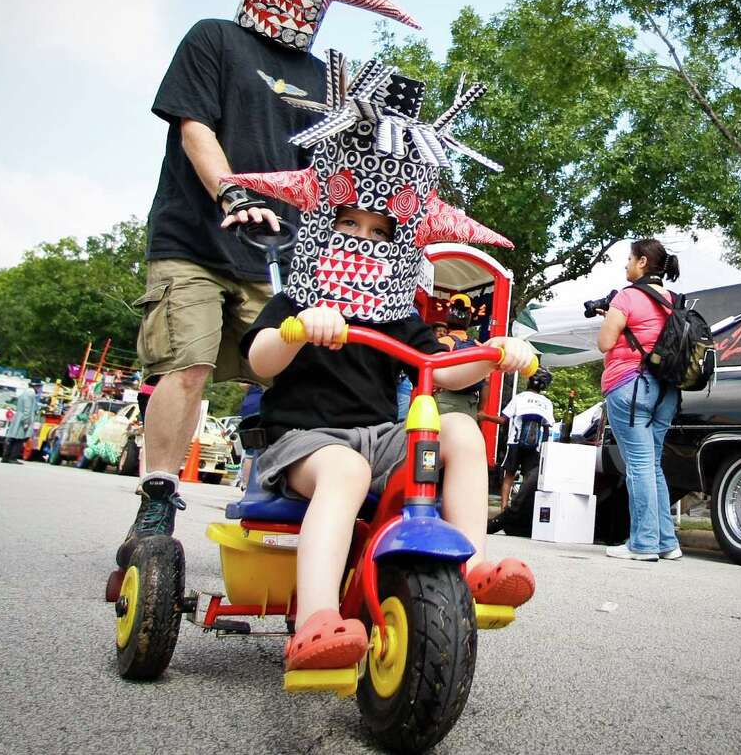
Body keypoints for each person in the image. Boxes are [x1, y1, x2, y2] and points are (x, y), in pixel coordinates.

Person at [116, 0, 418, 568]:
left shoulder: (327, 79)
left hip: (283, 256)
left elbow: (347, 172)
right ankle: (157, 497)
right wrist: (231, 190)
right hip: (196, 240)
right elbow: (194, 126)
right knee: (189, 365)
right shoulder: (213, 41)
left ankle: (290, 485)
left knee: (304, 363)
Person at [223, 56, 533, 673]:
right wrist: (298, 330)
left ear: (397, 240)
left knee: (460, 429)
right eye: (347, 222)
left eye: (377, 229)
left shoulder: (394, 311)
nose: (361, 238)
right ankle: (316, 620)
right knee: (344, 472)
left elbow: (443, 370)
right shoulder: (298, 297)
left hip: (378, 436)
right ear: (322, 223)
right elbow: (260, 361)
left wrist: (496, 354)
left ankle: (472, 563)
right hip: (304, 439)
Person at [595, 238, 684, 562]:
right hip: (666, 390)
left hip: (630, 385)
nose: (626, 265)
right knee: (652, 464)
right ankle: (666, 542)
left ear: (643, 262)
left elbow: (605, 343)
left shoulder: (628, 296)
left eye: (630, 259)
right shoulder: (673, 300)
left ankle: (643, 543)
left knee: (639, 465)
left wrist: (610, 317)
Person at [496, 368, 555, 512]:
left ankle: (504, 509)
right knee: (528, 478)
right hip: (535, 447)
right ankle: (519, 508)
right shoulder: (547, 403)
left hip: (515, 443)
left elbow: (503, 420)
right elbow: (547, 427)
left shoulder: (520, 397)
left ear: (529, 381)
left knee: (509, 476)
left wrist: (484, 416)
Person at [434, 295, 484, 417]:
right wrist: (480, 409)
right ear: (469, 318)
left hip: (444, 401)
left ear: (448, 315)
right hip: (470, 404)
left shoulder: (442, 342)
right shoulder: (479, 346)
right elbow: (486, 381)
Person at [0, 382, 39, 464]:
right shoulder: (30, 394)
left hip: (18, 416)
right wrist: (26, 421)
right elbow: (27, 409)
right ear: (36, 386)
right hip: (23, 418)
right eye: (38, 387)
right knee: (19, 439)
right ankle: (12, 458)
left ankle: (5, 457)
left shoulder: (25, 392)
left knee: (13, 438)